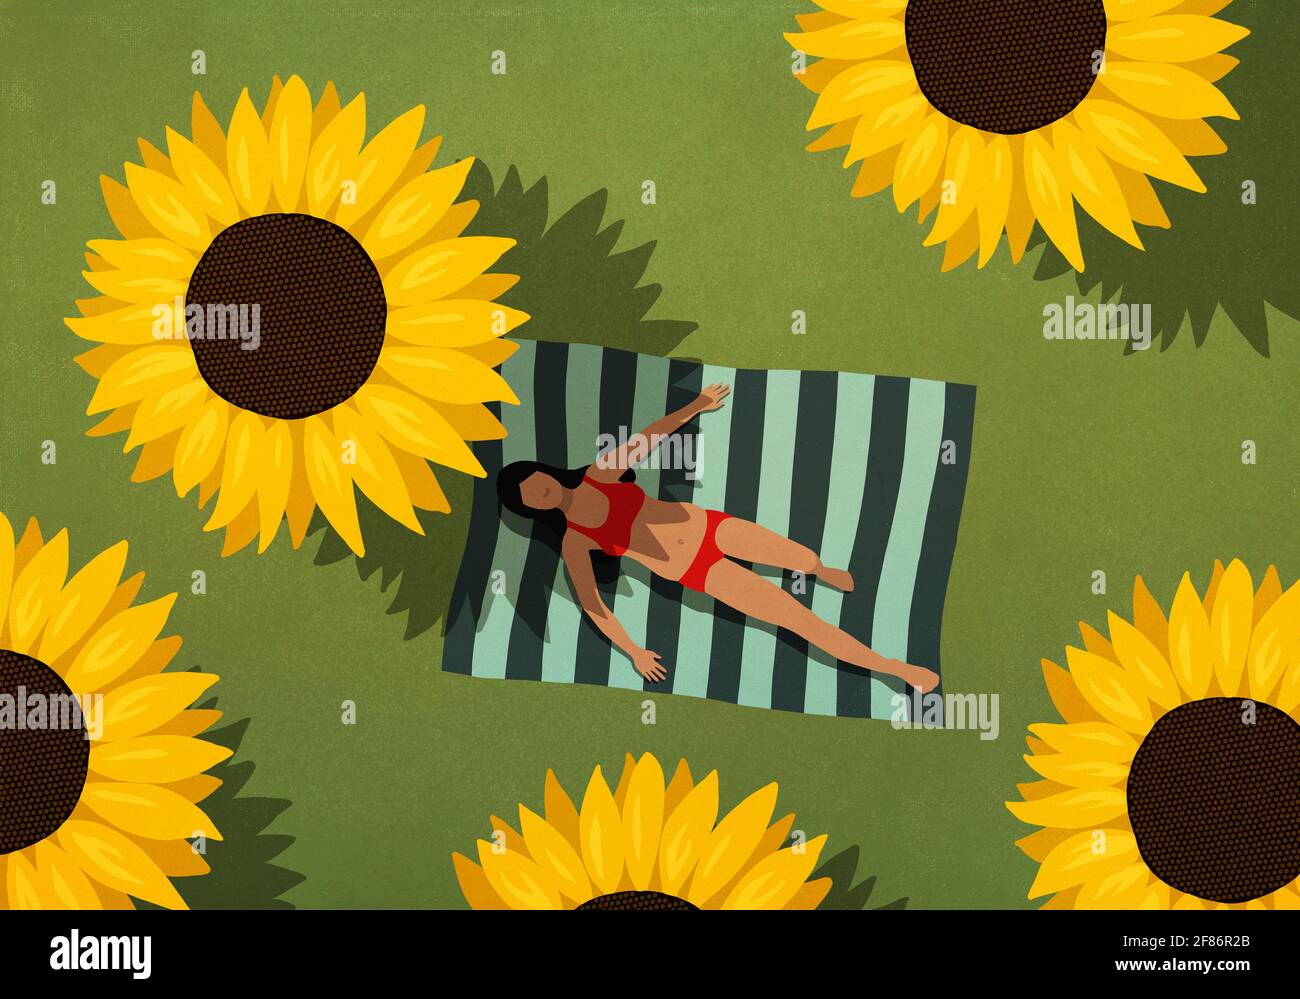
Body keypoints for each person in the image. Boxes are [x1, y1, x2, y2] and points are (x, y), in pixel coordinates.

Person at [495, 383, 939, 691]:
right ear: (530, 509)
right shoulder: (575, 542)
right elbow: (593, 604)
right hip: (698, 572)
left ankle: (820, 570)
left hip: (708, 526)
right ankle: (897, 670)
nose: (539, 490)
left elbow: (647, 439)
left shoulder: (600, 474)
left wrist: (697, 405)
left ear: (543, 471)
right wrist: (633, 652)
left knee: (801, 557)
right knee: (798, 620)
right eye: (529, 497)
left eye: (535, 480)